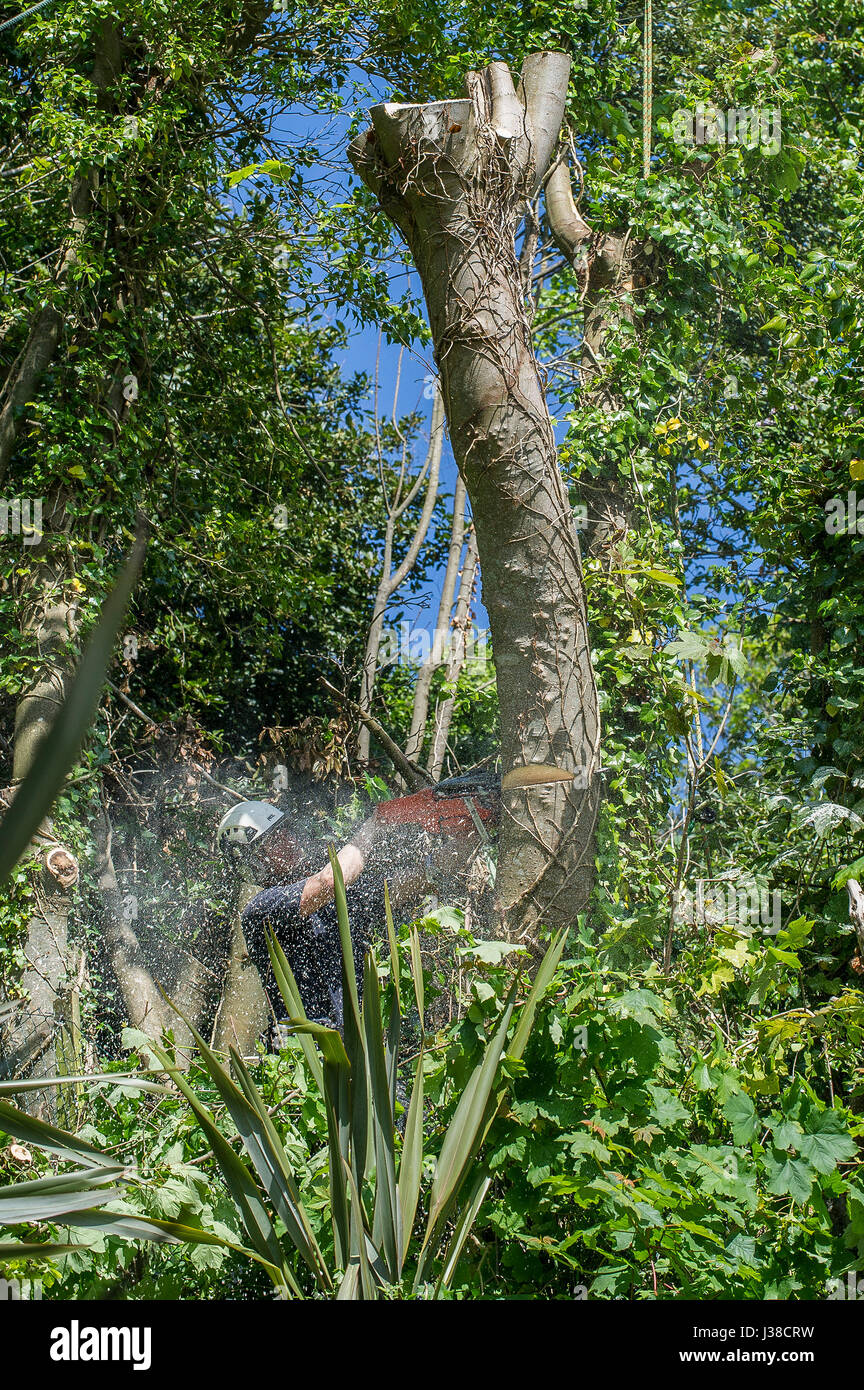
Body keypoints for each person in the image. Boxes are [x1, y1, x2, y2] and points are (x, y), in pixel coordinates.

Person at [216, 773, 500, 1033]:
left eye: (285, 831)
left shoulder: (332, 901)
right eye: (275, 839)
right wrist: (373, 826)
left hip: (360, 1042)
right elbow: (332, 880)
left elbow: (404, 885)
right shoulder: (262, 909)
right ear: (253, 860)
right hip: (312, 1049)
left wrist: (466, 833)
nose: (289, 840)